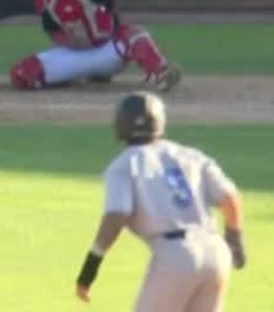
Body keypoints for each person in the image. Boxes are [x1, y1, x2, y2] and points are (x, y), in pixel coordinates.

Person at [75, 92, 247, 310]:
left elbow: (118, 214)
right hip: (216, 251)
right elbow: (230, 198)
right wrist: (234, 239)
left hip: (176, 255)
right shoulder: (192, 156)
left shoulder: (124, 165)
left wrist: (91, 266)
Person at [9, 0, 180, 92]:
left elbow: (112, 14)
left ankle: (162, 72)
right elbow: (52, 29)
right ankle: (76, 73)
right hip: (75, 54)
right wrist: (67, 40)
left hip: (107, 51)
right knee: (21, 73)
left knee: (135, 33)